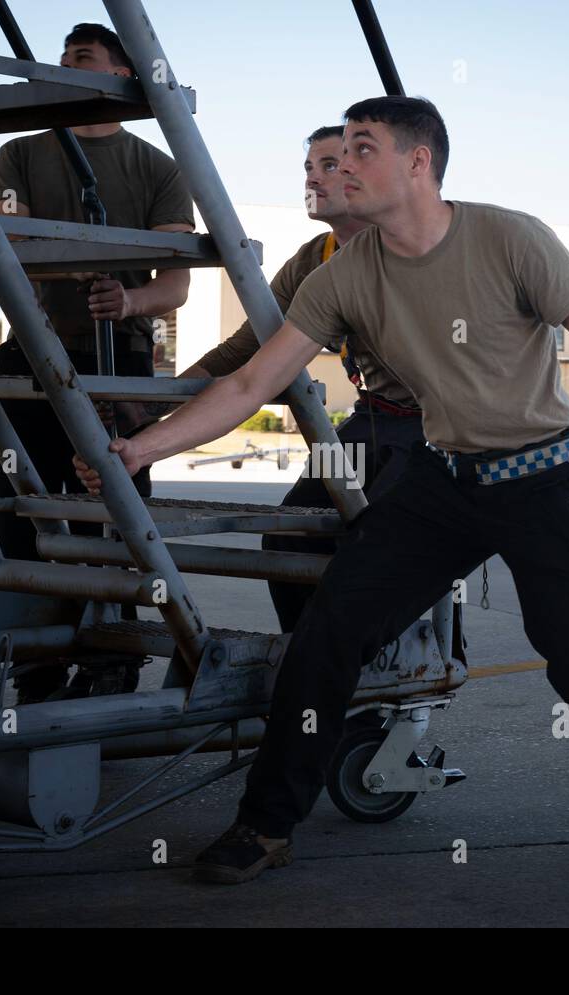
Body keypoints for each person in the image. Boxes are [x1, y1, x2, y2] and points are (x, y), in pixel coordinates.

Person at [75, 96, 569, 885]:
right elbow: (252, 379)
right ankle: (266, 824)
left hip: (542, 478)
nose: (342, 164)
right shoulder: (345, 272)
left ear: (418, 163)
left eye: (361, 148)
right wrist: (138, 447)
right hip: (441, 480)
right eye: (338, 150)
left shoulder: (509, 237)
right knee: (327, 633)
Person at [173, 124, 458, 646]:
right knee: (288, 539)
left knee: (381, 544)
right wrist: (147, 409)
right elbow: (245, 351)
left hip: (439, 425)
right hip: (372, 421)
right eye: (309, 168)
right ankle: (316, 665)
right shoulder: (314, 259)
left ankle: (405, 660)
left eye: (330, 165)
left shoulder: (412, 243)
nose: (315, 179)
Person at [0, 22, 195, 702]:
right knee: (18, 504)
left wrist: (128, 298)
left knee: (110, 509)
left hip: (118, 359)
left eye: (84, 57)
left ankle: (114, 653)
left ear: (120, 75)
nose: (69, 66)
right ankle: (37, 658)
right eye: (65, 57)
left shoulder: (157, 167)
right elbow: (4, 233)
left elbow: (178, 283)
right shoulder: (20, 151)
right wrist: (75, 265)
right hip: (32, 353)